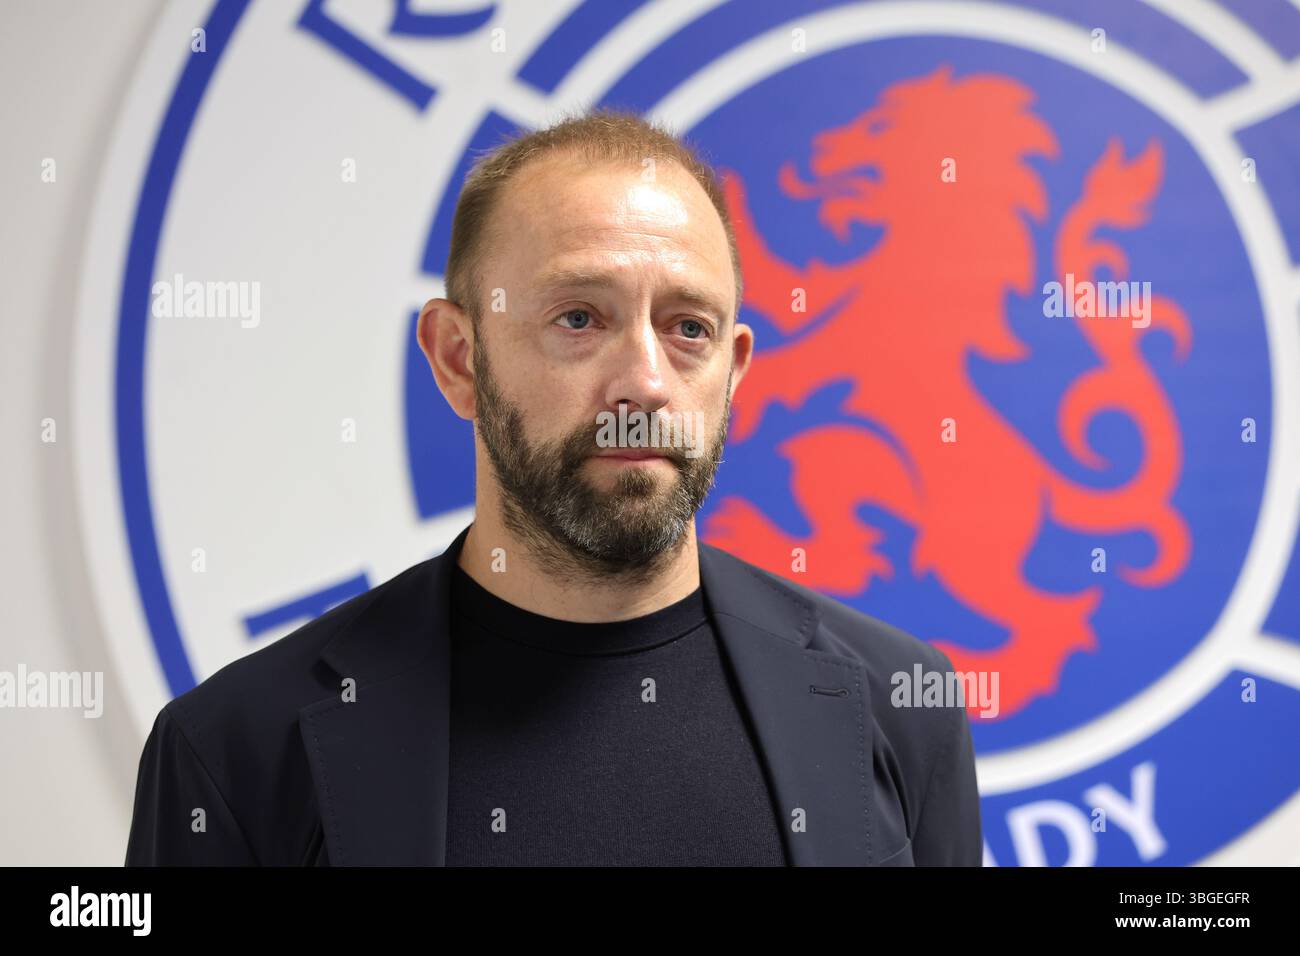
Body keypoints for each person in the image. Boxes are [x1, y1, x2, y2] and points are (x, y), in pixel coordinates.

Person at [125, 106, 981, 866]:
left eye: (688, 328)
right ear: (459, 359)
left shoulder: (900, 705)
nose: (645, 381)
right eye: (579, 317)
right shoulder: (235, 749)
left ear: (734, 370)